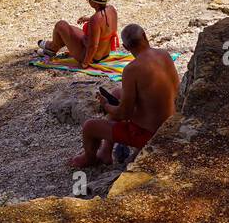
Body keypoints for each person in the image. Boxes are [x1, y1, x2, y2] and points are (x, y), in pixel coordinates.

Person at [71, 24, 179, 168]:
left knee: (89, 127)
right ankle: (105, 151)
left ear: (126, 47)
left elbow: (123, 113)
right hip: (171, 123)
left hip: (149, 134)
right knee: (116, 93)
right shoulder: (164, 54)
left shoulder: (132, 69)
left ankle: (90, 159)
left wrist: (106, 105)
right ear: (145, 36)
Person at [37, 0, 119, 66]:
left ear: (94, 3)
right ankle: (51, 49)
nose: (88, 0)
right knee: (69, 28)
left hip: (91, 57)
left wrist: (85, 63)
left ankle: (51, 47)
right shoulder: (111, 10)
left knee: (60, 25)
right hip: (105, 54)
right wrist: (89, 19)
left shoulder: (95, 19)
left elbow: (93, 46)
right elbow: (104, 25)